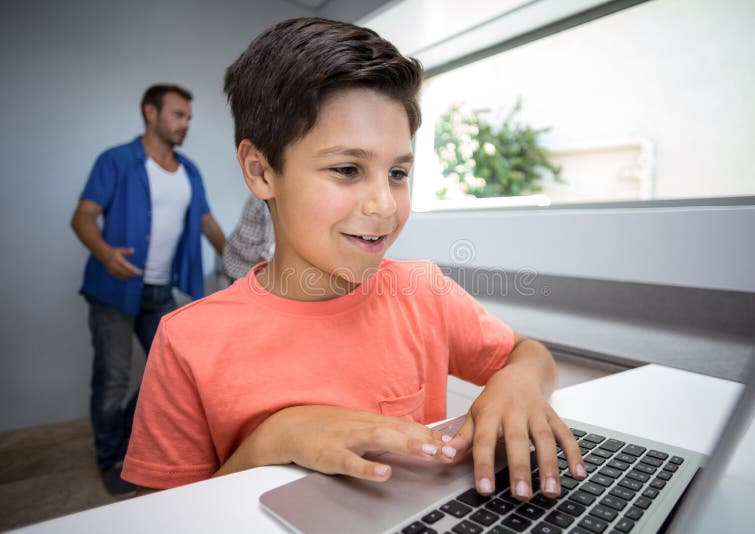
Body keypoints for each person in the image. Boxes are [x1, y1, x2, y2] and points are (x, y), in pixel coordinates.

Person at [122, 19, 586, 503]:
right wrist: (272, 440)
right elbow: (164, 516)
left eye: (398, 172)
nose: (384, 204)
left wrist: (517, 381)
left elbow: (530, 354)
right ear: (261, 172)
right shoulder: (188, 341)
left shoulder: (425, 292)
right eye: (347, 169)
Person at [70, 84, 226, 496]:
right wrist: (104, 253)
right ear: (150, 112)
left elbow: (206, 221)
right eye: (178, 115)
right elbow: (83, 217)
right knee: (113, 379)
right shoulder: (116, 161)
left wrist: (237, 262)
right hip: (114, 289)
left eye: (189, 117)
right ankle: (110, 458)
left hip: (160, 291)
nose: (185, 124)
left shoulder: (189, 170)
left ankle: (123, 438)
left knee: (169, 377)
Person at [222, 195, 275, 280]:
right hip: (247, 269)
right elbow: (268, 252)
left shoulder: (261, 197)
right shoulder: (271, 202)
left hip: (237, 263)